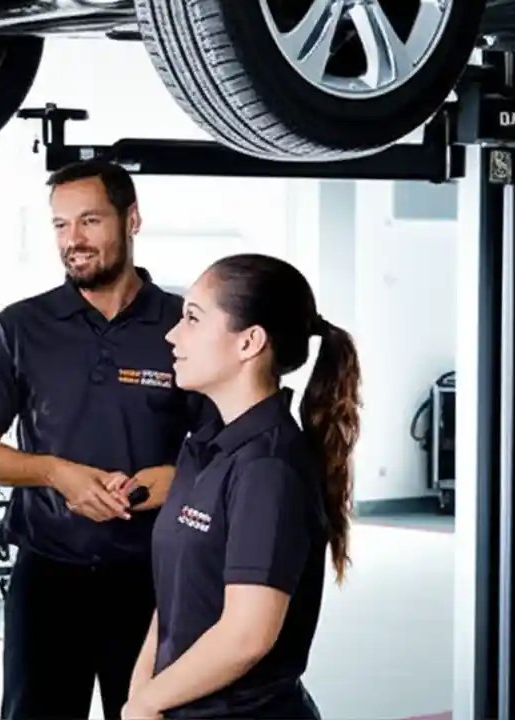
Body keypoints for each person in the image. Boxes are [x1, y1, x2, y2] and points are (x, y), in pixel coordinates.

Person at [0, 159, 218, 720]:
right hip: (49, 577)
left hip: (154, 577)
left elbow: (224, 452)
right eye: (59, 225)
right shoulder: (20, 327)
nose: (72, 240)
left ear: (132, 220)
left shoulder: (184, 327)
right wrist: (55, 472)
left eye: (90, 221)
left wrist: (175, 481)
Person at [121, 253, 361, 720]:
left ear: (250, 342)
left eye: (192, 318)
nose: (173, 335)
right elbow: (175, 598)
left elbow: (246, 636)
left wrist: (147, 702)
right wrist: (140, 694)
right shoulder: (203, 449)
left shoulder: (269, 468)